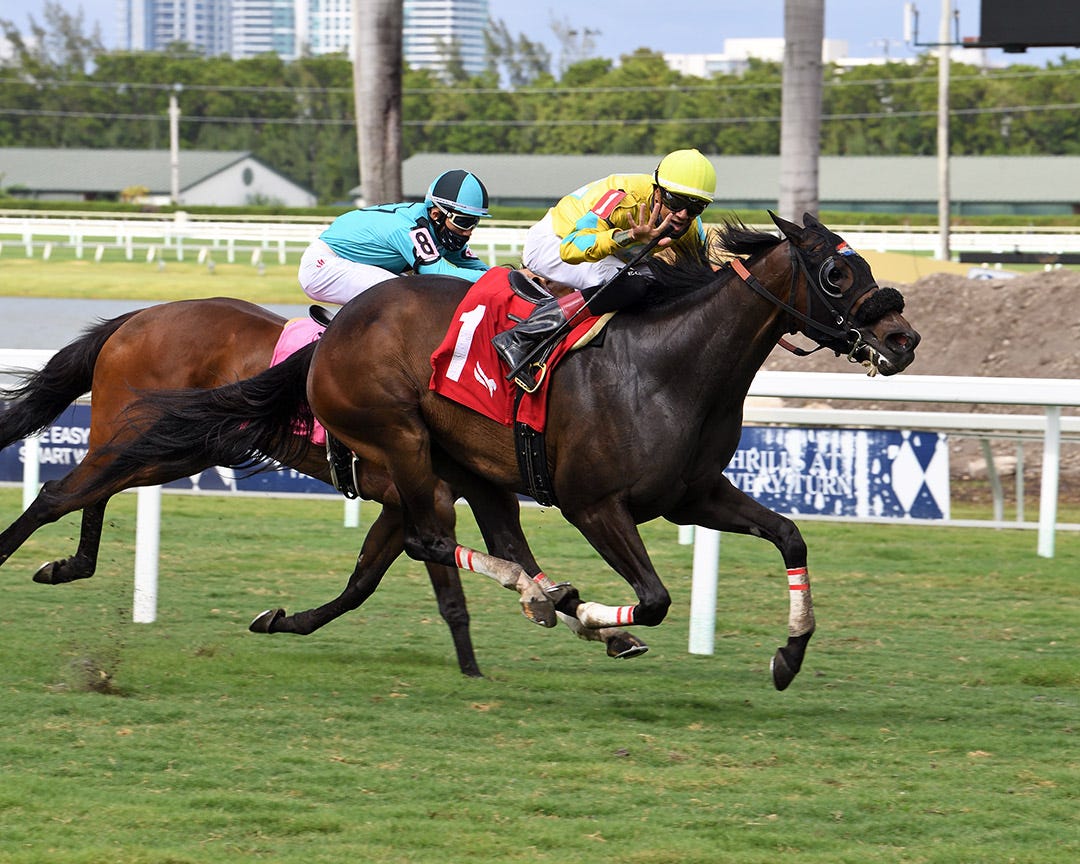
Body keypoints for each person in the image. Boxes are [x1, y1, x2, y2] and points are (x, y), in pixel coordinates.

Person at [492, 149, 717, 389]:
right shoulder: (621, 197)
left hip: (603, 256)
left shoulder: (689, 224)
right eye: (677, 202)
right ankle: (523, 336)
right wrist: (629, 235)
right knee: (636, 284)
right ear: (657, 191)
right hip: (554, 243)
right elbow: (570, 248)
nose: (683, 215)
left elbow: (702, 278)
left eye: (696, 207)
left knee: (666, 282)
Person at [299, 169, 492, 306]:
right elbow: (438, 272)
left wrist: (512, 277)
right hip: (323, 266)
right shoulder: (410, 228)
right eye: (464, 222)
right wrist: (503, 278)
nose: (468, 231)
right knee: (402, 292)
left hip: (356, 264)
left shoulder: (440, 229)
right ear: (436, 214)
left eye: (474, 222)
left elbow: (482, 271)